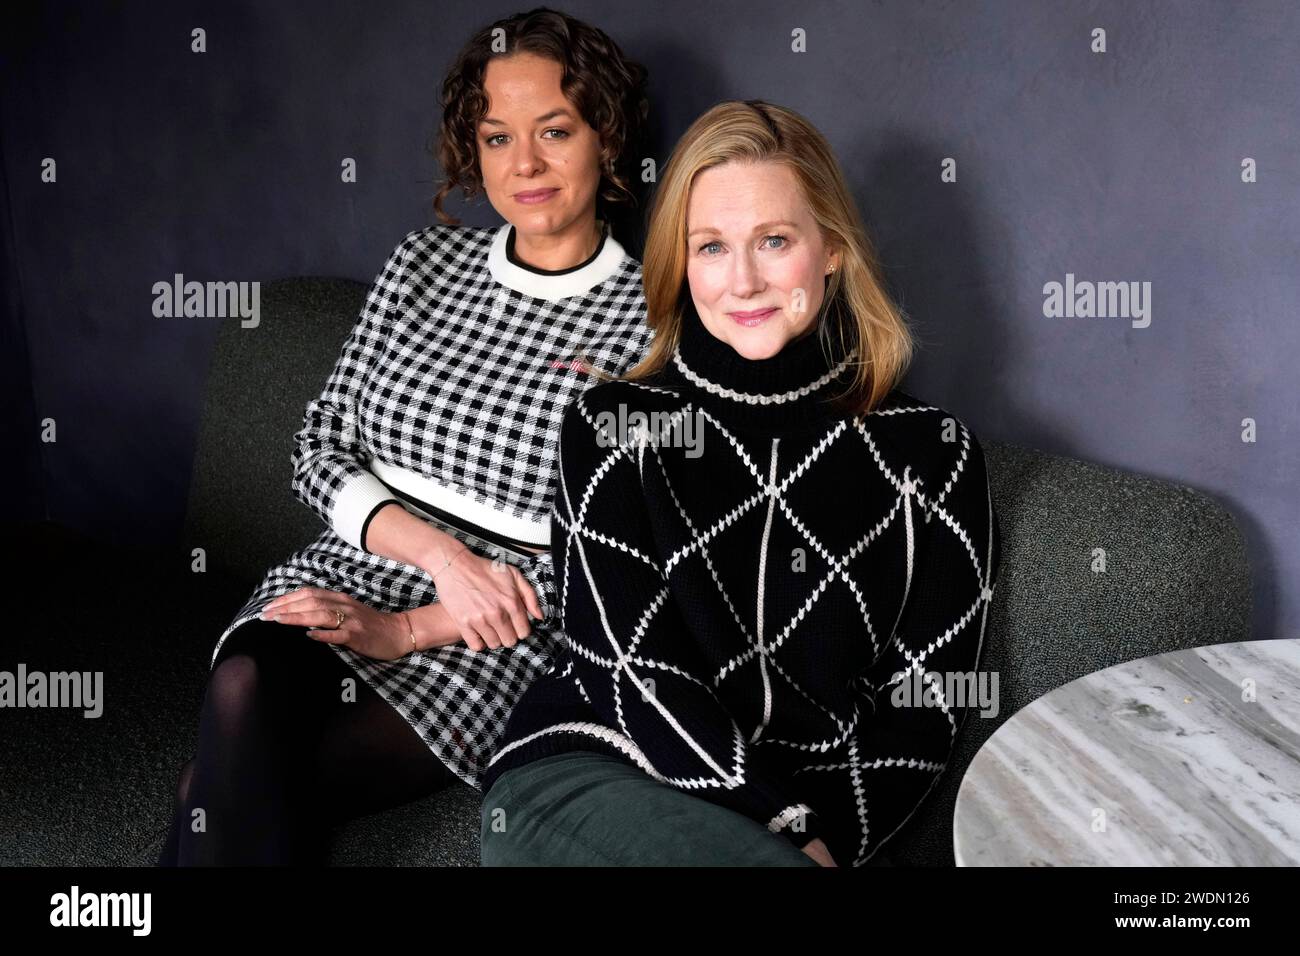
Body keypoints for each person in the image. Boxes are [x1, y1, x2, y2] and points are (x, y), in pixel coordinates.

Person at [158, 8, 653, 865]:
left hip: (493, 631)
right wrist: (440, 560)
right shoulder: (422, 265)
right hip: (352, 563)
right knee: (244, 686)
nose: (524, 165)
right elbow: (317, 448)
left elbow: (612, 561)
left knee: (222, 786)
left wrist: (420, 623)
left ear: (606, 138)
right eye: (497, 138)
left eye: (555, 131)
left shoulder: (654, 323)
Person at [479, 99, 1002, 867]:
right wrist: (786, 826)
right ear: (681, 263)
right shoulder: (612, 425)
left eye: (775, 240)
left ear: (831, 249)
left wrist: (825, 841)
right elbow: (631, 670)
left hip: (796, 824)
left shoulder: (935, 454)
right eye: (712, 248)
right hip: (595, 775)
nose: (746, 280)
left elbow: (922, 714)